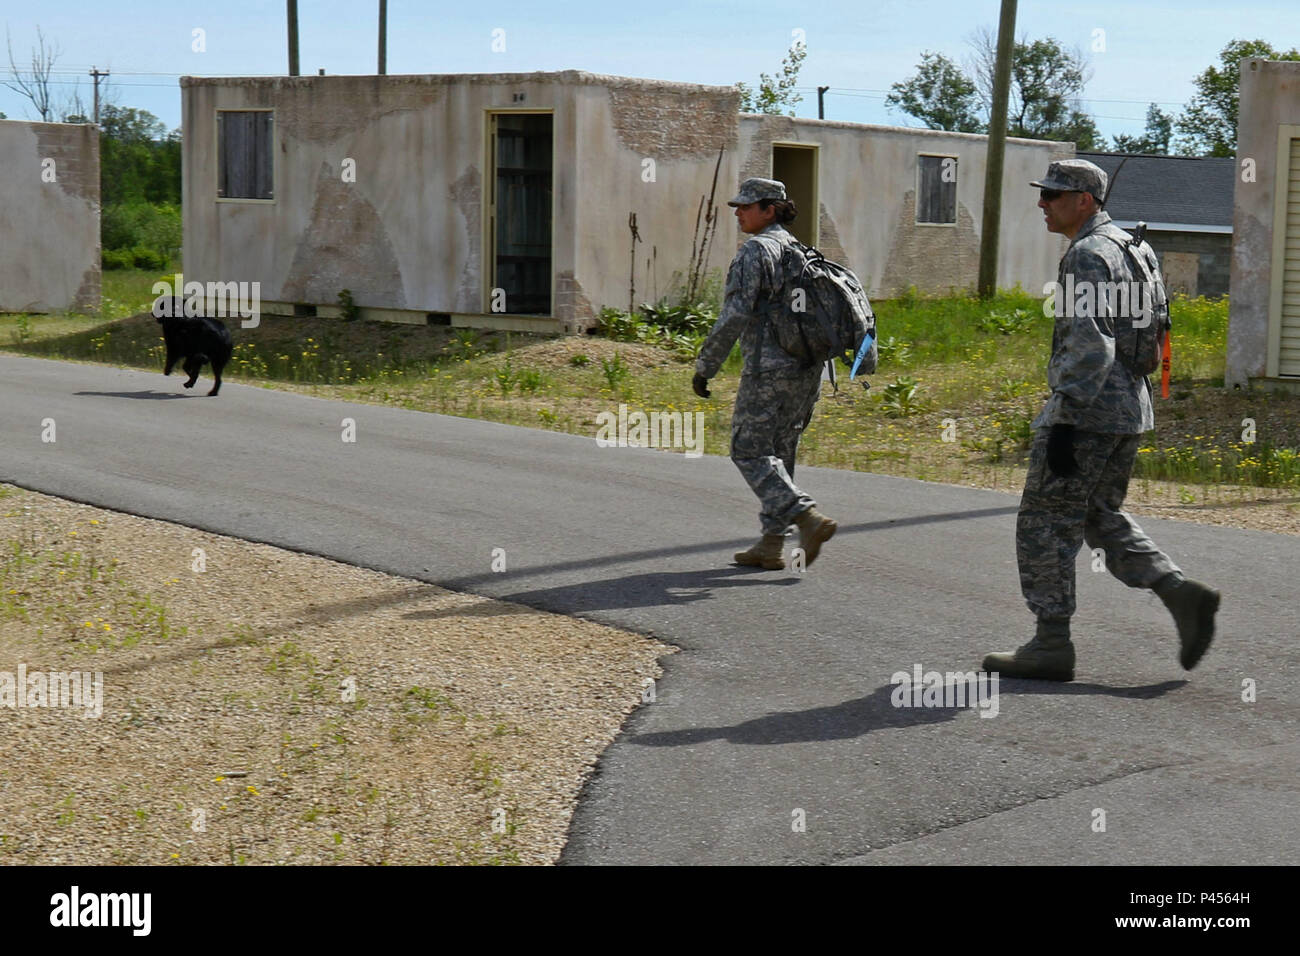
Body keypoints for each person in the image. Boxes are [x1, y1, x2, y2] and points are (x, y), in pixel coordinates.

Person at [983, 159, 1220, 681]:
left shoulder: (1088, 255)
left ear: (1084, 200)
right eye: (1042, 193)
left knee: (1044, 524)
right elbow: (1155, 331)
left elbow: (1091, 345)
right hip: (1128, 408)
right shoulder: (1136, 248)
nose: (1042, 203)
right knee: (1096, 513)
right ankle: (1180, 593)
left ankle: (1050, 644)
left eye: (1053, 194)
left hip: (1088, 411)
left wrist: (1065, 419)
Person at [692, 177, 837, 571]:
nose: (738, 212)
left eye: (746, 206)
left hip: (769, 368)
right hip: (808, 369)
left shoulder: (755, 251)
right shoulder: (800, 249)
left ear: (769, 209)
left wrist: (706, 365)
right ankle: (771, 544)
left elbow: (735, 313)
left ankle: (806, 517)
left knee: (748, 448)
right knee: (779, 452)